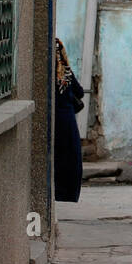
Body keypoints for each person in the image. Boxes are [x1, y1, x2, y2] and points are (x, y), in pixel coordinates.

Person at [53, 39, 84, 203]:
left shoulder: (49, 73)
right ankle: (67, 194)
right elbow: (80, 91)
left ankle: (57, 191)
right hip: (68, 120)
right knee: (70, 157)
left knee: (57, 157)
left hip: (55, 120)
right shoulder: (65, 72)